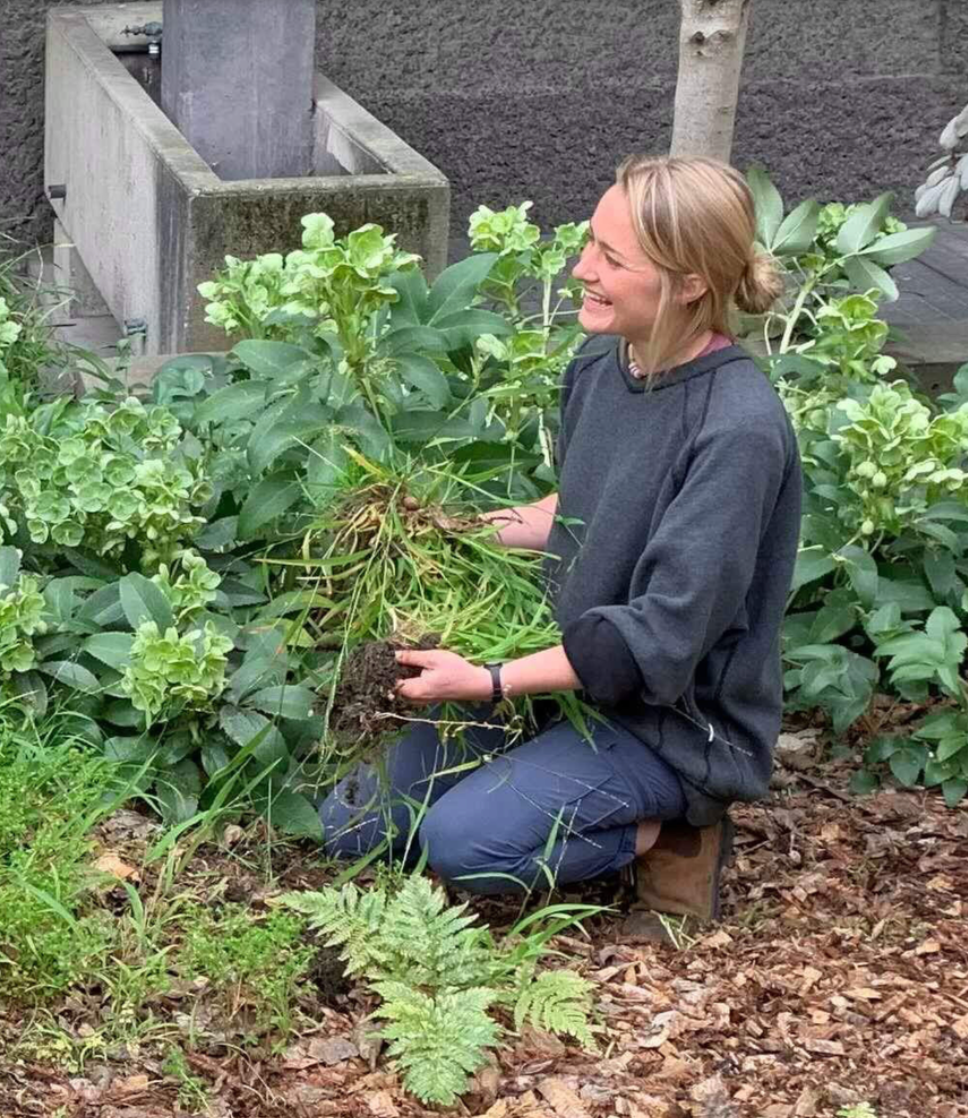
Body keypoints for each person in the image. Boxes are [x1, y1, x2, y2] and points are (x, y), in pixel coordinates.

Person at [319, 154, 800, 922]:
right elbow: (577, 507)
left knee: (462, 847)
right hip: (562, 680)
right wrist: (455, 529)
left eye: (611, 259)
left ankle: (669, 833)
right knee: (351, 824)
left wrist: (487, 680)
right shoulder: (603, 364)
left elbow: (658, 637)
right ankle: (539, 772)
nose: (581, 269)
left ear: (688, 283)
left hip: (667, 722)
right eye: (590, 246)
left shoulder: (736, 430)